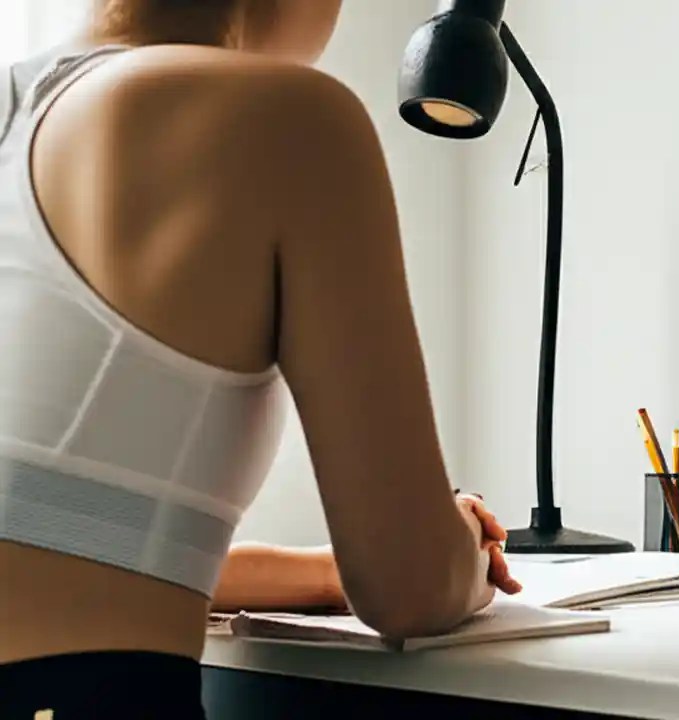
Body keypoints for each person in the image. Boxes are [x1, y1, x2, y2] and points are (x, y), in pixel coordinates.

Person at [0, 1, 521, 717]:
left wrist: (326, 574)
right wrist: (463, 547)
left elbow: (62, 533)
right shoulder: (289, 118)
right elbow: (412, 589)